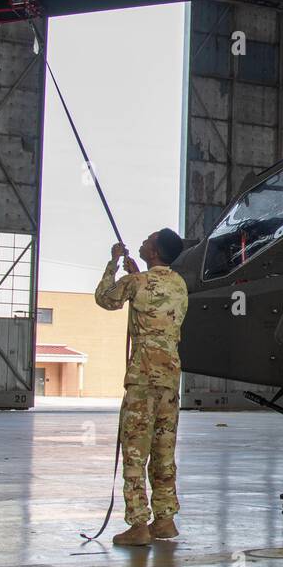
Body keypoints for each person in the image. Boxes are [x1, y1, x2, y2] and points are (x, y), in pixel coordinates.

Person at [95, 228, 189, 546]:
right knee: (164, 452)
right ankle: (165, 520)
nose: (144, 242)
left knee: (135, 452)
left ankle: (138, 524)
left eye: (148, 241)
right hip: (169, 379)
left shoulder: (137, 284)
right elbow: (155, 301)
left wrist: (113, 264)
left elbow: (105, 299)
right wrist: (137, 275)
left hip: (143, 379)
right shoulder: (178, 283)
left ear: (154, 252)